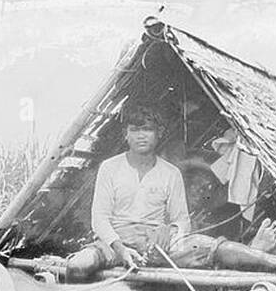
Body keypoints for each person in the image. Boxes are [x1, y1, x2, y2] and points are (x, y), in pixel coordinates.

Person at [67, 102, 190, 281]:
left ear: (159, 133)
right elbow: (99, 219)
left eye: (147, 129)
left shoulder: (171, 173)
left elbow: (183, 220)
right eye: (134, 130)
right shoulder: (110, 168)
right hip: (115, 243)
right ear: (126, 134)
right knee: (78, 265)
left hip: (155, 246)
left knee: (219, 251)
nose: (141, 136)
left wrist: (169, 230)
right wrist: (120, 249)